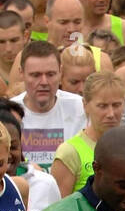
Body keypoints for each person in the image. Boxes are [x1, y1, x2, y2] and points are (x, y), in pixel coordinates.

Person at [11, 40, 86, 170]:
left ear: (60, 72)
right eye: (36, 75)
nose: (44, 82)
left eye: (50, 74)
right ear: (21, 73)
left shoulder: (81, 108)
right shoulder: (9, 112)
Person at [51, 71, 124, 196]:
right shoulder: (70, 152)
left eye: (116, 105)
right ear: (85, 105)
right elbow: (59, 209)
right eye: (102, 106)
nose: (111, 114)